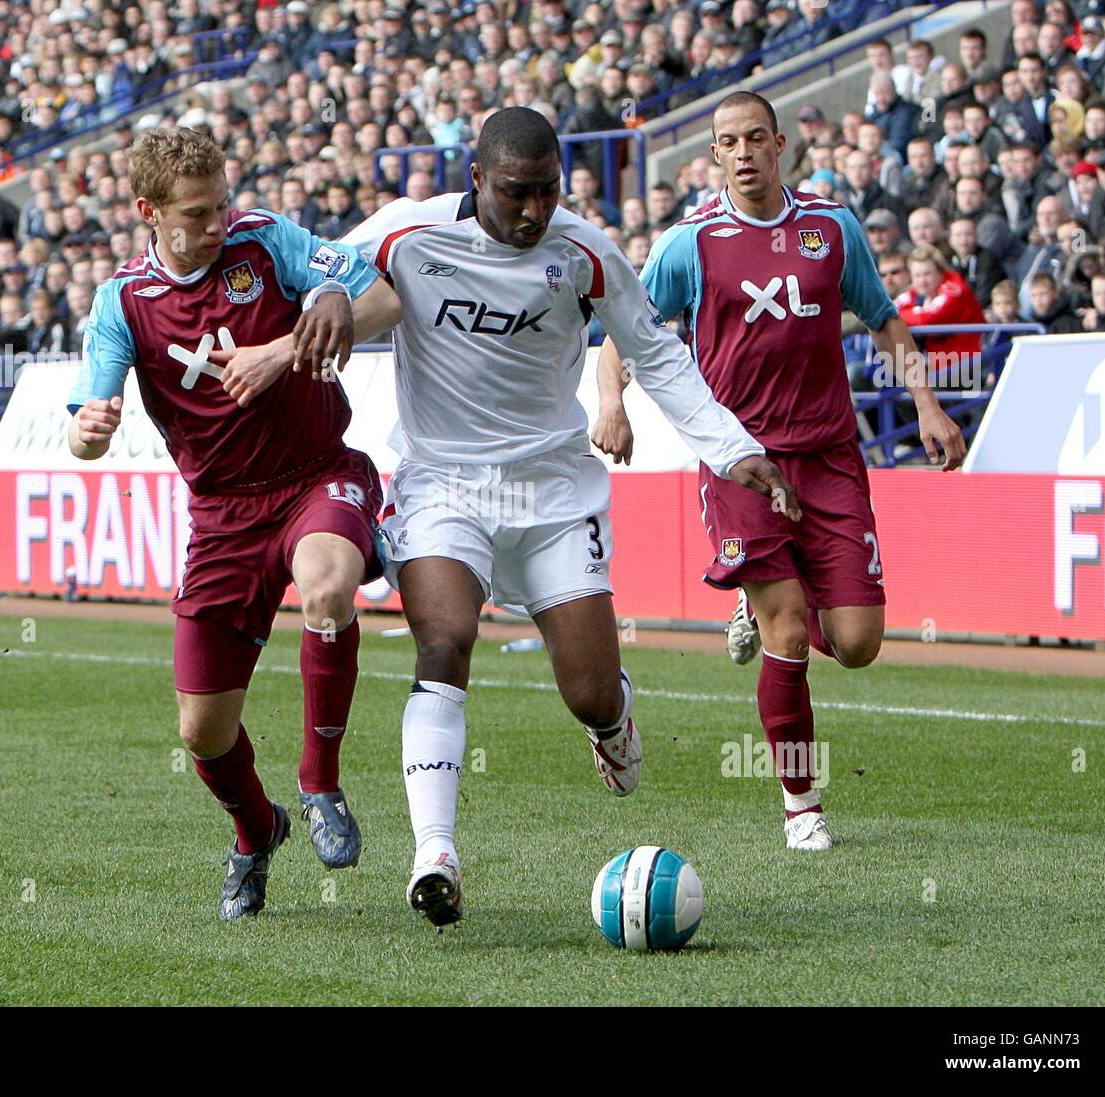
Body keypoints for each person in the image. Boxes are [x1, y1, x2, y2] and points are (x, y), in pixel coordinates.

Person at [341, 107, 799, 926]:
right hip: (444, 482)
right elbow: (321, 279)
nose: (532, 212)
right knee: (444, 640)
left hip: (553, 492)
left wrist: (734, 449)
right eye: (516, 194)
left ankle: (612, 719)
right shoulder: (405, 234)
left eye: (548, 193)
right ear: (476, 179)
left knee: (587, 691)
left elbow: (656, 352)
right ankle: (435, 850)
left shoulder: (584, 250)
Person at [597, 92, 965, 853]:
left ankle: (761, 614)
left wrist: (927, 404)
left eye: (754, 139)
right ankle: (802, 803)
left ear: (780, 144)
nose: (742, 153)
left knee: (859, 640)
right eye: (727, 142)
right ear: (715, 153)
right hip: (740, 460)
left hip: (830, 456)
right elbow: (625, 333)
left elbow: (884, 317)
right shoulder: (688, 244)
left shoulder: (830, 227)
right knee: (790, 625)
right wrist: (612, 404)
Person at [66, 127, 402, 921]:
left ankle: (319, 781)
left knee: (326, 589)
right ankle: (258, 830)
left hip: (316, 472)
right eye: (197, 212)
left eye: (221, 201)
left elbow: (383, 295)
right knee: (203, 731)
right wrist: (90, 430)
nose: (218, 221)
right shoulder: (122, 302)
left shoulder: (264, 241)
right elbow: (86, 423)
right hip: (220, 515)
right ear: (147, 210)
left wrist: (292, 341)